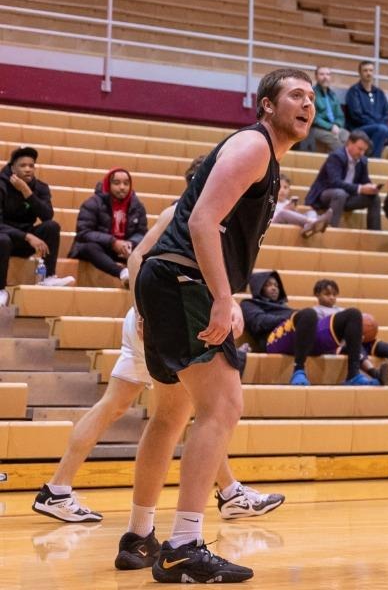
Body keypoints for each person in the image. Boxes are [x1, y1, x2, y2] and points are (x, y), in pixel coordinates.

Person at [129, 67, 311, 581]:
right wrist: (223, 297)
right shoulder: (254, 147)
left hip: (168, 281)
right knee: (225, 405)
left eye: (313, 98)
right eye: (295, 95)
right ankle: (184, 543)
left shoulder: (265, 159)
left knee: (169, 416)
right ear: (266, 106)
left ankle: (139, 534)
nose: (307, 104)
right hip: (185, 281)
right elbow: (200, 221)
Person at [34, 209, 284, 525]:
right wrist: (143, 310)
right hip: (159, 316)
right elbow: (137, 257)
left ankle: (56, 488)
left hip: (149, 316)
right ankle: (229, 493)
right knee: (196, 409)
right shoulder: (192, 211)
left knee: (118, 404)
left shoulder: (196, 211)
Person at [245, 273, 380, 387]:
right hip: (274, 341)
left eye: (276, 285)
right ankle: (298, 371)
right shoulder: (249, 304)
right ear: (258, 287)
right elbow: (258, 323)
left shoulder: (285, 307)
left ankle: (353, 375)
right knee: (308, 314)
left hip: (305, 339)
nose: (274, 288)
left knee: (353, 314)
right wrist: (291, 316)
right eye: (269, 285)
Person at [0, 146, 72, 297]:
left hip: (24, 241)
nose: (28, 169)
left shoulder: (40, 187)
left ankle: (49, 277)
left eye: (31, 165)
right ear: (13, 168)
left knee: (52, 227)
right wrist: (27, 236)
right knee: (3, 239)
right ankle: (0, 289)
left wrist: (27, 192)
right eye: (23, 165)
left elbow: (47, 216)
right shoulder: (1, 186)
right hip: (5, 238)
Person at [71, 167, 149, 283]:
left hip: (124, 250)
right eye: (117, 183)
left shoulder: (137, 206)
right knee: (88, 247)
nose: (122, 187)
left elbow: (141, 232)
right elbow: (83, 233)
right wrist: (112, 242)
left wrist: (130, 243)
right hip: (101, 248)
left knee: (150, 247)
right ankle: (121, 272)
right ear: (108, 184)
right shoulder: (93, 203)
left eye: (126, 183)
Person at [305, 131, 382, 233]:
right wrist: (360, 188)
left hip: (348, 197)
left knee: (375, 198)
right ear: (349, 143)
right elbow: (335, 182)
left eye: (364, 150)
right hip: (325, 195)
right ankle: (331, 231)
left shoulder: (363, 161)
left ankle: (374, 234)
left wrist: (371, 187)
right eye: (360, 149)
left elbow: (364, 181)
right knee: (340, 193)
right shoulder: (336, 157)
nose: (362, 153)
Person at [343, 60, 388, 161]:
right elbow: (356, 115)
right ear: (360, 73)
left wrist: (382, 126)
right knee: (380, 129)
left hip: (381, 129)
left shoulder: (379, 93)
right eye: (365, 70)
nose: (368, 73)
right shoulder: (354, 91)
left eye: (371, 70)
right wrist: (378, 125)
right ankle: (373, 162)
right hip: (360, 129)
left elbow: (386, 113)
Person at [299, 66, 348, 154]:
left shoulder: (333, 95)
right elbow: (312, 117)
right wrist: (330, 127)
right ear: (316, 77)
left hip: (335, 127)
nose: (325, 77)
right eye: (322, 74)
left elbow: (340, 116)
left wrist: (336, 125)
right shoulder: (311, 93)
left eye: (328, 74)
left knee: (350, 138)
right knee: (335, 141)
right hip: (316, 128)